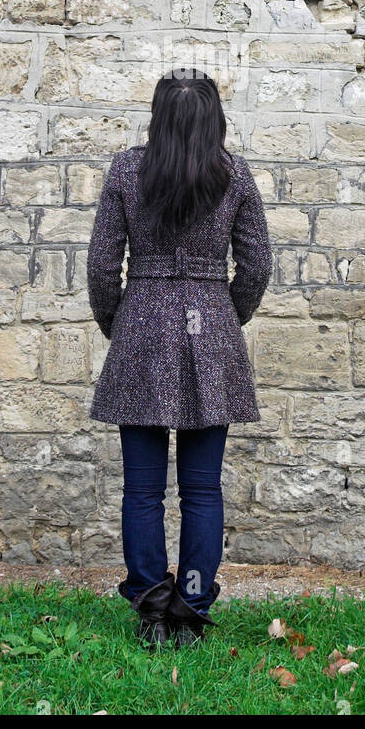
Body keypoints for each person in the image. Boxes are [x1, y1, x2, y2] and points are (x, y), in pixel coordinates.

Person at [87, 68, 272, 648]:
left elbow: (99, 266)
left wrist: (120, 324)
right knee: (202, 489)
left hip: (140, 323)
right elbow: (258, 265)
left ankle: (151, 608)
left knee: (141, 489)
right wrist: (225, 318)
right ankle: (191, 604)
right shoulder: (234, 172)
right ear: (214, 117)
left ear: (157, 115)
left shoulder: (125, 169)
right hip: (209, 325)